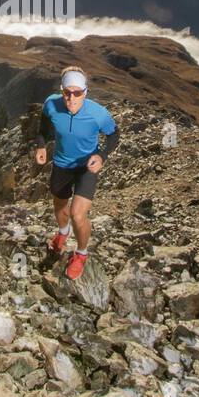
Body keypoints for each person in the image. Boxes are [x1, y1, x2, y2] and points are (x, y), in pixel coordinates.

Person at [31, 65, 119, 279]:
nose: (71, 98)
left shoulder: (98, 114)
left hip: (86, 167)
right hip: (62, 164)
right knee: (59, 205)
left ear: (85, 92)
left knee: (77, 214)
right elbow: (43, 126)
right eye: (67, 93)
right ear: (62, 91)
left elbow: (114, 135)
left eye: (77, 93)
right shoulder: (51, 105)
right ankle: (62, 233)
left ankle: (81, 253)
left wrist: (102, 156)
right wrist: (41, 145)